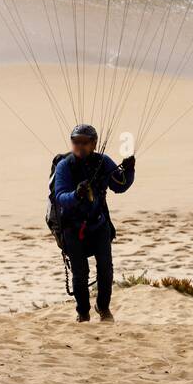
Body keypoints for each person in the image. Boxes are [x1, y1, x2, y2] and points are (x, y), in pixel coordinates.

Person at [52, 124, 136, 323]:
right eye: (75, 142)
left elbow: (119, 185)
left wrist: (129, 170)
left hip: (98, 225)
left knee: (106, 268)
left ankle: (103, 308)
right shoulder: (65, 166)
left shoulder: (102, 162)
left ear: (94, 144)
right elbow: (60, 197)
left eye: (84, 142)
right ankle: (83, 312)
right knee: (80, 273)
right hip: (73, 227)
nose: (79, 146)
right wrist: (76, 194)